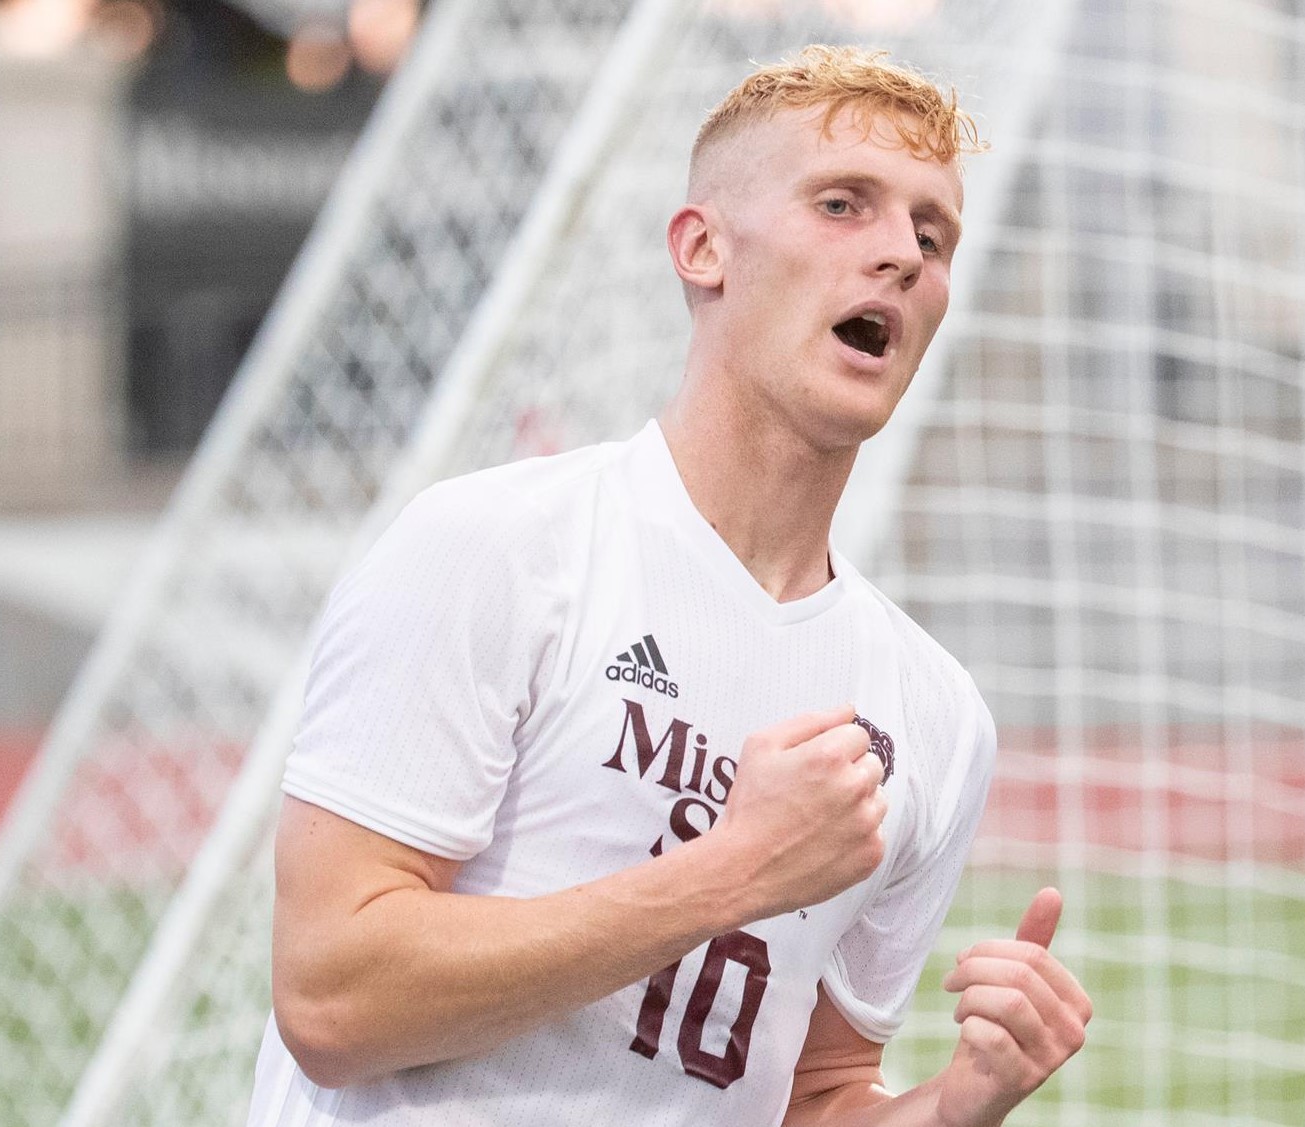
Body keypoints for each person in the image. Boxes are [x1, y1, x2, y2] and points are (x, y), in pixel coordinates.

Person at [247, 45, 1091, 1127]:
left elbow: (815, 1094)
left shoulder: (933, 714)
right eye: (843, 205)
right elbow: (331, 992)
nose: (898, 254)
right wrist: (731, 870)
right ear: (701, 248)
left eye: (930, 236)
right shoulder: (502, 546)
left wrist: (953, 1100)